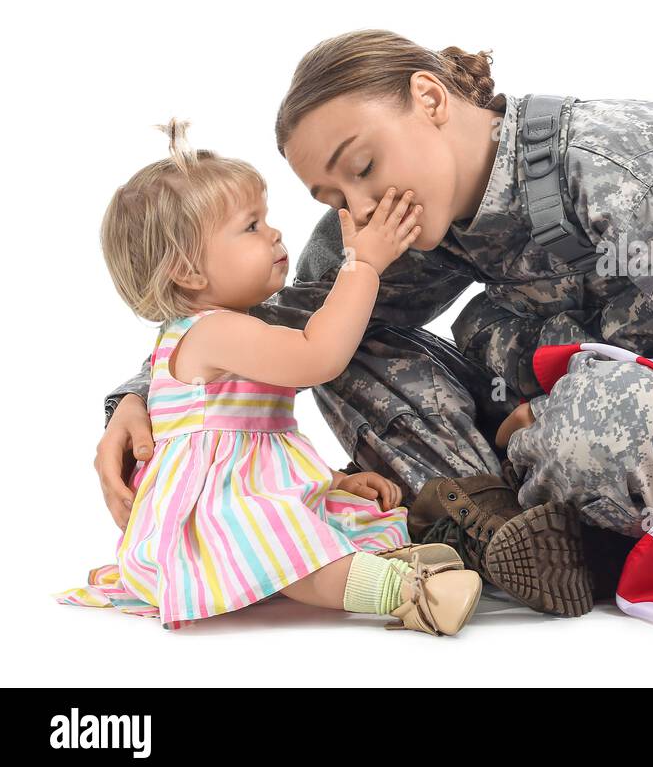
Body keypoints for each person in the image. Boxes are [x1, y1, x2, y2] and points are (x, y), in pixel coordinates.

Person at [96, 30, 653, 618]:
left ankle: (561, 508)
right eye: (332, 197)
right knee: (346, 336)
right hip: (587, 431)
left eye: (361, 167)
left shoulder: (601, 169)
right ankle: (509, 531)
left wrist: (572, 391)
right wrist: (147, 394)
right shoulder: (396, 218)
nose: (358, 207)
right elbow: (285, 333)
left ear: (428, 98)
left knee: (594, 430)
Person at [61, 121, 481, 636]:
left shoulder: (224, 329)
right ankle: (403, 592)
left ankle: (401, 554)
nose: (275, 233)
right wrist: (363, 266)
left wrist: (331, 480)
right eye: (251, 226)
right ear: (189, 271)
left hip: (242, 496)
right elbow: (318, 356)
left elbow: (257, 457)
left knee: (329, 515)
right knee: (287, 548)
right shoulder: (214, 333)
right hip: (218, 517)